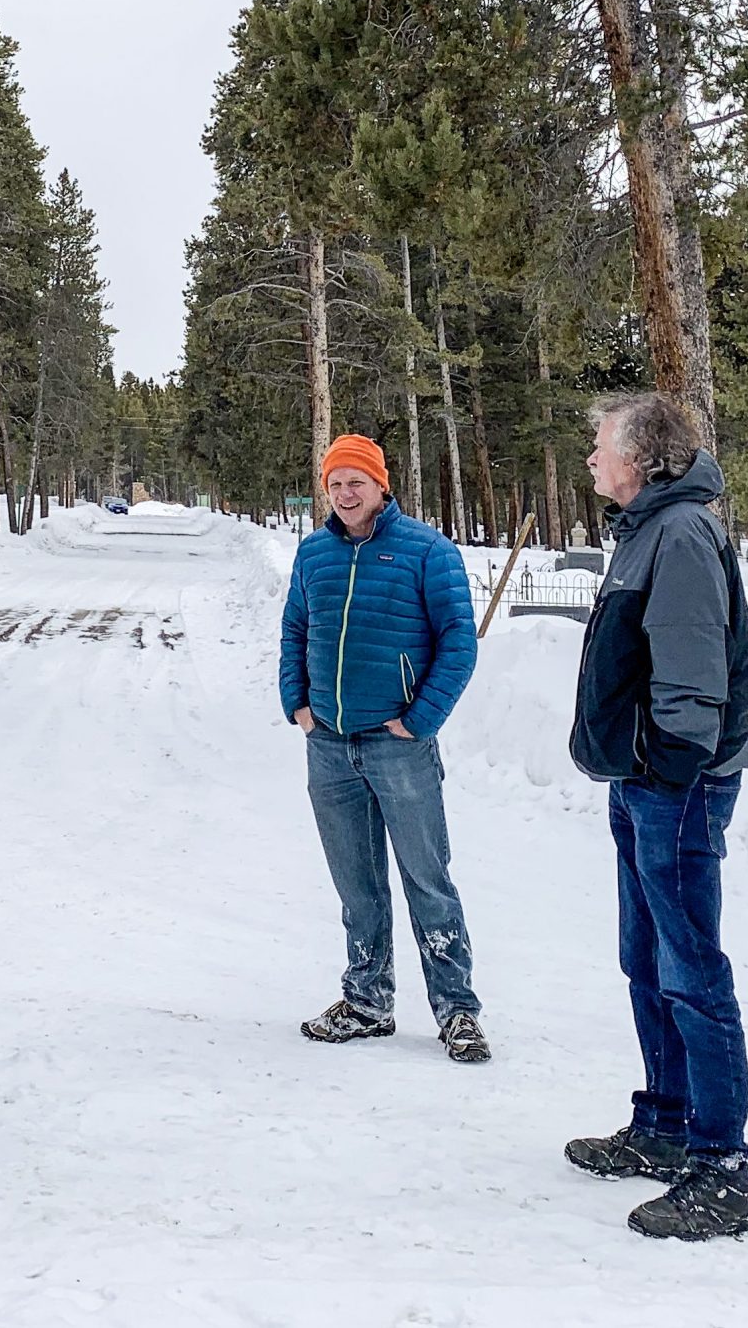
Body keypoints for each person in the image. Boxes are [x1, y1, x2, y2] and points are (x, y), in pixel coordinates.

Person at [562, 392, 748, 1241]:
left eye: (601, 447)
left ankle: (723, 1168)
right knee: (645, 955)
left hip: (674, 784)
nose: (591, 460)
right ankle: (666, 1123)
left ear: (641, 458)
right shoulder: (646, 526)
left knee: (690, 968)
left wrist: (667, 763)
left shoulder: (679, 534)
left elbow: (691, 672)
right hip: (644, 778)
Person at [279, 432, 487, 1064]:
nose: (345, 493)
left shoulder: (427, 551)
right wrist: (297, 701)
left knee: (428, 879)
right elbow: (294, 627)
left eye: (356, 482)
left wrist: (420, 719)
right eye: (335, 483)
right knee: (357, 884)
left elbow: (459, 641)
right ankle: (367, 1000)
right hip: (330, 746)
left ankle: (457, 1011)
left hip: (398, 746)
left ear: (381, 485)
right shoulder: (313, 553)